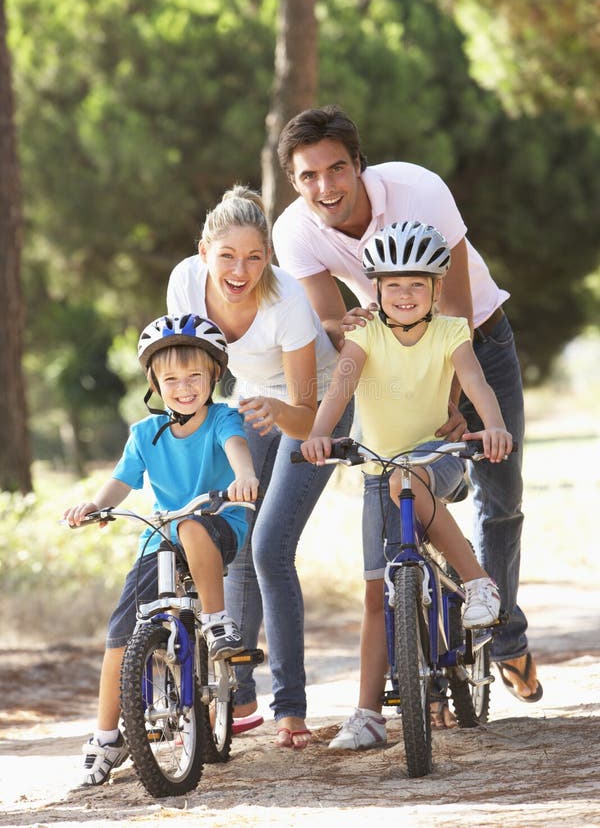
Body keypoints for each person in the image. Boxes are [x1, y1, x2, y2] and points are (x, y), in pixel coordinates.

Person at [273, 104, 542, 719]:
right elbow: (331, 321)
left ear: (358, 165)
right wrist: (365, 358)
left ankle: (504, 638)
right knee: (396, 491)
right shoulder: (294, 232)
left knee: (499, 495)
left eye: (337, 169)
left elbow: (456, 304)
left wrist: (452, 403)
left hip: (476, 338)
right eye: (309, 176)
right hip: (388, 356)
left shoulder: (419, 188)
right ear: (295, 181)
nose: (326, 186)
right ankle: (422, 665)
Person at [301, 219, 511, 750]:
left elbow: (476, 382)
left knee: (407, 479)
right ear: (375, 289)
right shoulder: (364, 335)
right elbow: (338, 389)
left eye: (417, 284)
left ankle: (478, 582)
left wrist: (495, 426)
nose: (404, 294)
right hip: (376, 469)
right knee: (376, 595)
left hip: (438, 459)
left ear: (436, 289)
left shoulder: (451, 332)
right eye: (393, 284)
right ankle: (368, 715)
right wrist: (320, 436)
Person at [166, 186, 353, 750]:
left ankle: (290, 708)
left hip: (316, 409)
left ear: (268, 256)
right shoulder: (183, 283)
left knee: (271, 546)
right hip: (249, 403)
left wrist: (278, 411)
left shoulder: (285, 301)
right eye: (227, 256)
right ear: (205, 252)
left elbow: (302, 414)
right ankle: (239, 696)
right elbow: (186, 373)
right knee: (237, 538)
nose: (240, 270)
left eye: (254, 257)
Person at [63, 313, 259, 786]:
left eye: (195, 376)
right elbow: (119, 484)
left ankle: (216, 623)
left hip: (217, 524)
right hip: (162, 538)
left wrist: (245, 476)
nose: (184, 387)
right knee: (120, 632)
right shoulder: (143, 434)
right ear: (154, 382)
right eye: (171, 378)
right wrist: (96, 505)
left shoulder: (221, 419)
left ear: (215, 375)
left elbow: (237, 450)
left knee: (190, 526)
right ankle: (109, 736)